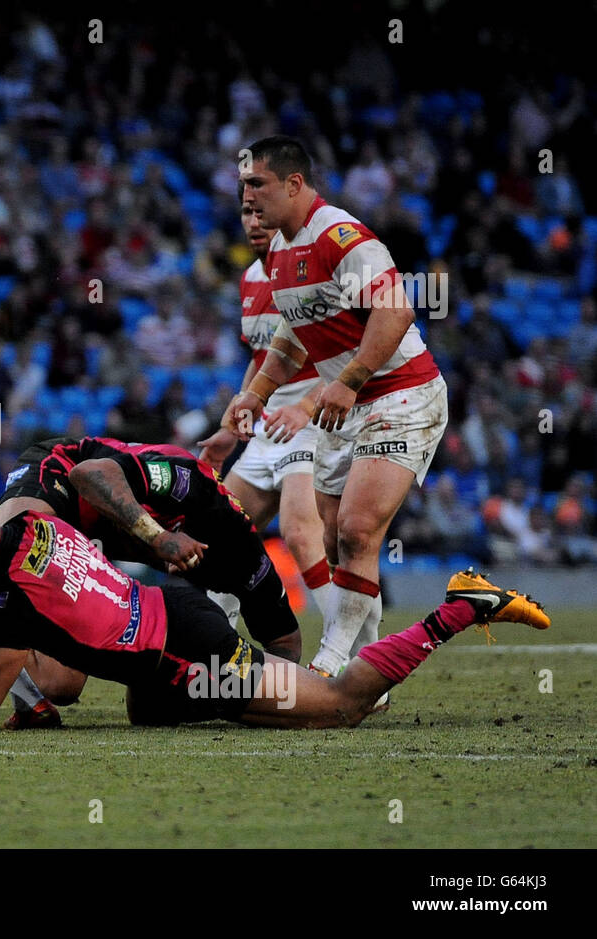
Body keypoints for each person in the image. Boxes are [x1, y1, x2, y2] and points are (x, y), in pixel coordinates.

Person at [0, 495, 548, 734]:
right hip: (163, 610)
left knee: (338, 707)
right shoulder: (24, 529)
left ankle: (459, 605)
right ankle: (271, 687)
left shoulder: (13, 597)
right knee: (144, 711)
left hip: (188, 649)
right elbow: (6, 616)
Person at [220, 135, 448, 677]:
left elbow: (394, 314)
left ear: (294, 184)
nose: (247, 196)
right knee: (331, 538)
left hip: (400, 392)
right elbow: (292, 338)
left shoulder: (342, 238)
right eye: (242, 185)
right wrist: (255, 392)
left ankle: (331, 661)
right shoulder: (277, 251)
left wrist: (347, 380)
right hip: (344, 408)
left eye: (257, 183)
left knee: (357, 529)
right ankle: (371, 672)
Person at [0, 435, 304, 728]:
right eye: (186, 550)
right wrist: (158, 537)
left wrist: (267, 688)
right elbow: (88, 474)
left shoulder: (251, 566)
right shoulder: (186, 482)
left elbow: (286, 641)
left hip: (96, 547)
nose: (178, 566)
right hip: (62, 477)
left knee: (61, 685)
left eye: (194, 563)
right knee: (0, 557)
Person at [199, 197, 331, 624]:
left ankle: (348, 653)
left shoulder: (309, 274)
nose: (254, 223)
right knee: (221, 532)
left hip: (311, 421)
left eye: (262, 214)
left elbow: (343, 353)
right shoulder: (250, 279)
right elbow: (260, 359)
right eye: (246, 214)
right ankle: (218, 650)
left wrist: (307, 409)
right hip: (266, 427)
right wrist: (231, 420)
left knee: (299, 533)